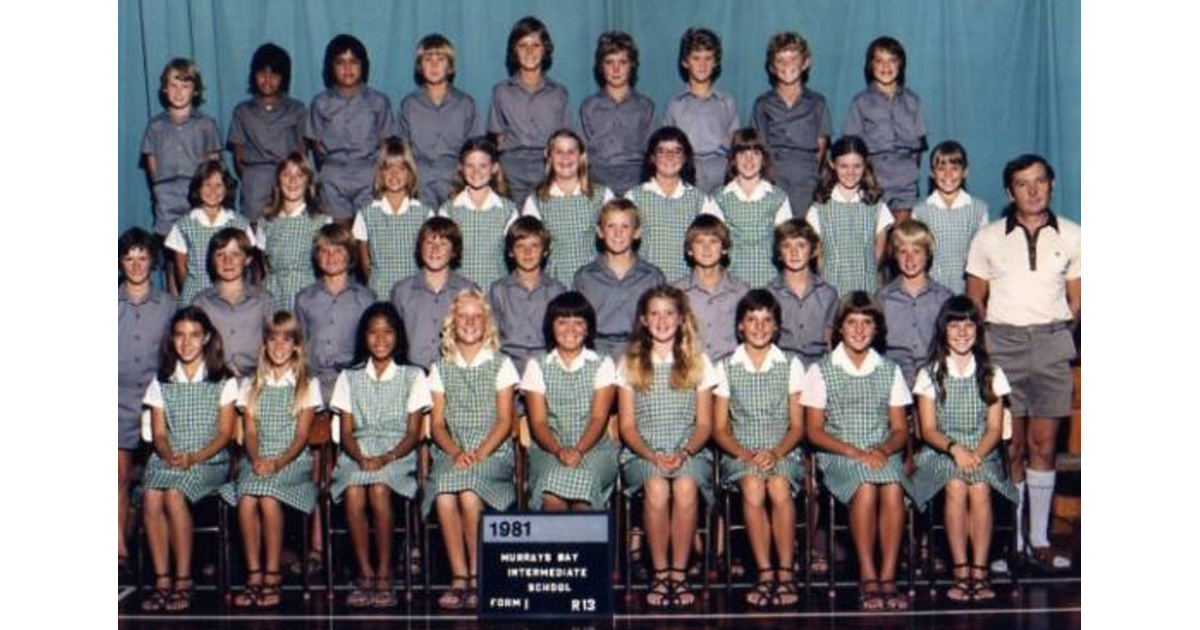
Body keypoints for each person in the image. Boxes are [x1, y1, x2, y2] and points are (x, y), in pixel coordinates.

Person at [965, 154, 1080, 571]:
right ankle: (1012, 543)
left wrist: (1059, 331)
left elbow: (1078, 298)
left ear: (1051, 184)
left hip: (1051, 344)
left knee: (1043, 446)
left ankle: (1040, 539)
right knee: (1010, 446)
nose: (1032, 190)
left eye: (1039, 181)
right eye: (1022, 183)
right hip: (1002, 346)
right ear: (1008, 192)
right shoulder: (989, 238)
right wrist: (989, 346)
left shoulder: (1074, 235)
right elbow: (975, 297)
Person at [802, 292, 913, 611]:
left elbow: (900, 429)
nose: (860, 330)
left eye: (867, 323)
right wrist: (853, 452)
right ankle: (867, 575)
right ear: (839, 328)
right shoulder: (821, 370)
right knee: (864, 487)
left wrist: (882, 449)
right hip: (839, 453)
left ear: (877, 329)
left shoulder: (889, 369)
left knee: (893, 487)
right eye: (852, 322)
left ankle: (888, 576)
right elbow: (813, 430)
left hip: (881, 451)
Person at [617, 285, 718, 609]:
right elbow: (628, 426)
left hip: (689, 450)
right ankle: (660, 574)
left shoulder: (698, 361)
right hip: (642, 452)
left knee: (686, 486)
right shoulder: (630, 363)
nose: (662, 321)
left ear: (681, 318)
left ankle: (679, 572)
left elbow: (705, 424)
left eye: (669, 313)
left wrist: (685, 452)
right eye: (655, 314)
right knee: (657, 488)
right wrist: (652, 455)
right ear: (644, 320)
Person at [911, 296, 1018, 602]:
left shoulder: (992, 373)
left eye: (968, 324)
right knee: (957, 485)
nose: (961, 332)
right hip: (941, 452)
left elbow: (995, 428)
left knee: (980, 485)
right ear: (944, 330)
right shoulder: (930, 373)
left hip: (982, 449)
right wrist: (956, 449)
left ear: (977, 330)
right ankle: (960, 570)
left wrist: (976, 454)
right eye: (954, 325)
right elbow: (928, 430)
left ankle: (979, 570)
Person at [329, 303, 430, 608]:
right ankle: (364, 573)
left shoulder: (413, 375)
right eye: (373, 332)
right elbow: (346, 433)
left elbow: (413, 433)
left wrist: (386, 458)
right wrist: (360, 458)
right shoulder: (349, 376)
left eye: (387, 332)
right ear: (364, 337)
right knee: (355, 492)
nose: (380, 338)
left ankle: (385, 573)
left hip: (397, 453)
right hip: (357, 452)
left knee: (380, 488)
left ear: (398, 336)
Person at [424, 290, 520, 610]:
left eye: (476, 316)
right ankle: (459, 576)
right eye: (463, 317)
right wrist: (455, 453)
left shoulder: (501, 364)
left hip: (493, 452)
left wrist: (479, 453)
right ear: (452, 323)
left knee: (467, 492)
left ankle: (480, 577)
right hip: (453, 450)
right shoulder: (440, 367)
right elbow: (437, 425)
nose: (469, 322)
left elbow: (506, 421)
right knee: (444, 493)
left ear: (486, 323)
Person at [139, 307, 238, 612]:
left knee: (173, 495)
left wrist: (193, 457)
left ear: (206, 338)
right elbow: (158, 434)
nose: (186, 343)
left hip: (209, 459)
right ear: (172, 339)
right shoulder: (161, 382)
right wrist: (169, 455)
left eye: (194, 335)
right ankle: (163, 580)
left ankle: (183, 580)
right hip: (170, 457)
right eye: (180, 335)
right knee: (152, 496)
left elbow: (224, 433)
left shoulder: (223, 380)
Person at [711, 290, 806, 608]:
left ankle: (786, 572)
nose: (759, 327)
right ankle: (765, 573)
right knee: (753, 487)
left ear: (777, 326)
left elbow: (798, 425)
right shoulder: (726, 366)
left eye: (767, 320)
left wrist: (777, 452)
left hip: (783, 450)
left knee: (779, 487)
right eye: (751, 320)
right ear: (740, 326)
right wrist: (745, 454)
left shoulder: (791, 363)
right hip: (741, 452)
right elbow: (719, 429)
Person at [221, 312, 320, 608]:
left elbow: (302, 436)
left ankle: (273, 573)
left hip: (292, 461)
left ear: (296, 346)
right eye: (273, 339)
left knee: (267, 498)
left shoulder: (306, 385)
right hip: (258, 457)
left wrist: (277, 462)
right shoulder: (252, 385)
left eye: (286, 339)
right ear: (265, 344)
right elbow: (249, 432)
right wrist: (257, 459)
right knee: (248, 496)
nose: (279, 346)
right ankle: (254, 574)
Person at [521, 291, 619, 511]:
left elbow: (598, 418)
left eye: (578, 323)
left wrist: (578, 451)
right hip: (549, 449)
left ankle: (584, 547)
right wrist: (559, 451)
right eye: (562, 322)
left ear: (588, 328)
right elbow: (538, 423)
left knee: (583, 489)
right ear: (551, 326)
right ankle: (557, 547)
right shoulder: (537, 365)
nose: (570, 330)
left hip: (594, 449)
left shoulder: (602, 363)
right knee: (552, 492)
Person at [118, 228, 176, 578]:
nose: (137, 265)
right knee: (118, 475)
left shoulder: (169, 305)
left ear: (153, 262)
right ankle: (118, 549)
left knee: (164, 476)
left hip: (159, 399)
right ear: (121, 262)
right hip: (115, 399)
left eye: (143, 258)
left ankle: (167, 550)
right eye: (129, 258)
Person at [308, 34, 396, 224]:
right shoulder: (321, 103)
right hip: (333, 174)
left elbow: (384, 144)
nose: (347, 68)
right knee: (338, 237)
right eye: (340, 62)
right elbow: (316, 146)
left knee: (368, 231)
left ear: (363, 65)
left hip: (368, 174)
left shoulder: (378, 101)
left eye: (353, 62)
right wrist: (328, 174)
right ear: (331, 67)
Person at [488, 16, 572, 206]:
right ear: (514, 51)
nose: (529, 51)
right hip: (512, 169)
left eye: (536, 45)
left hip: (548, 167)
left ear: (545, 49)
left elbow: (565, 138)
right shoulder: (501, 91)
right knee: (516, 226)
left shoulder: (558, 93)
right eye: (522, 45)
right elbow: (498, 136)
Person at [843, 36, 927, 219]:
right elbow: (852, 147)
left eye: (892, 60)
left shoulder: (913, 101)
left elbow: (918, 149)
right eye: (879, 61)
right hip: (874, 177)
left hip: (905, 178)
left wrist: (909, 173)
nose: (885, 67)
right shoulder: (860, 102)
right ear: (870, 66)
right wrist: (865, 176)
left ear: (901, 64)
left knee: (903, 238)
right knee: (875, 237)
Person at [625, 126, 722, 282]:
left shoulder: (701, 200)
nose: (669, 157)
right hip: (646, 284)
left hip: (688, 286)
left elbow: (716, 243)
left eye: (676, 151)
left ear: (685, 158)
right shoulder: (634, 197)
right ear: (652, 157)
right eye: (662, 151)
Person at [750, 31, 831, 215]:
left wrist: (809, 175)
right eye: (780, 60)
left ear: (805, 63)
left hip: (806, 177)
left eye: (794, 58)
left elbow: (821, 145)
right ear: (771, 67)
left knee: (802, 233)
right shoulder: (763, 103)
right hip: (773, 176)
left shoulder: (817, 102)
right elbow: (758, 146)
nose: (788, 65)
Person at [572, 199, 666, 358]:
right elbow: (575, 322)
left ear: (636, 232)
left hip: (639, 351)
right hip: (596, 351)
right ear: (600, 232)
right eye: (611, 226)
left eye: (625, 226)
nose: (618, 233)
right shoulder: (585, 276)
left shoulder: (652, 276)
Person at [397, 34, 481, 209]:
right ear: (420, 66)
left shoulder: (465, 103)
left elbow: (476, 147)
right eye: (428, 59)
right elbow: (402, 149)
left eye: (441, 59)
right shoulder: (409, 104)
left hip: (456, 179)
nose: (434, 65)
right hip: (420, 180)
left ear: (450, 67)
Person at [141, 57, 222, 238]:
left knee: (200, 238)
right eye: (174, 85)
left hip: (197, 192)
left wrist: (208, 189)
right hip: (166, 194)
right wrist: (159, 186)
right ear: (164, 87)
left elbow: (213, 162)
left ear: (195, 91)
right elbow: (151, 160)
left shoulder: (206, 124)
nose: (179, 92)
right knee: (170, 243)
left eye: (185, 87)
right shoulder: (155, 126)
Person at [227, 43, 307, 223]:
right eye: (262, 73)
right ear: (253, 75)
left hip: (288, 178)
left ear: (284, 78)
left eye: (274, 75)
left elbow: (302, 152)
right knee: (255, 232)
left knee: (288, 226)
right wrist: (250, 178)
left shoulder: (297, 110)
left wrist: (294, 177)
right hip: (255, 180)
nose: (267, 80)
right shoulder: (242, 111)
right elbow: (238, 156)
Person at [523, 129, 614, 285]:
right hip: (553, 281)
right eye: (559, 152)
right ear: (549, 157)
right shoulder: (535, 200)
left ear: (581, 156)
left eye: (571, 151)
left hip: (594, 279)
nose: (565, 157)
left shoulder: (603, 195)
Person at [806, 136, 893, 295]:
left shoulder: (877, 206)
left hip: (867, 289)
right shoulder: (819, 208)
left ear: (865, 165)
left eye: (857, 166)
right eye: (844, 166)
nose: (850, 172)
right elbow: (818, 256)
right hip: (831, 290)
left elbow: (878, 253)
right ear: (833, 164)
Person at [390, 217, 479, 370]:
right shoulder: (402, 291)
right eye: (429, 243)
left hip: (455, 372)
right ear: (420, 248)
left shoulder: (468, 290)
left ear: (454, 252)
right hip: (413, 374)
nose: (435, 249)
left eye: (443, 244)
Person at [165, 159, 253, 304]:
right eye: (207, 185)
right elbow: (181, 268)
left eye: (219, 185)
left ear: (227, 188)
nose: (213, 191)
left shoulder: (240, 223)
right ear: (198, 188)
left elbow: (246, 263)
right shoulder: (184, 224)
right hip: (195, 295)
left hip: (230, 295)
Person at [662, 27, 738, 194]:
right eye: (696, 58)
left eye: (708, 58)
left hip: (720, 174)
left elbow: (735, 144)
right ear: (685, 62)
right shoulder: (676, 104)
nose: (702, 65)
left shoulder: (726, 102)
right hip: (686, 171)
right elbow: (667, 145)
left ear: (716, 61)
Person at [437, 136, 519, 289]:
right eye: (470, 165)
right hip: (458, 294)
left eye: (483, 165)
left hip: (496, 292)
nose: (476, 172)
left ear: (494, 168)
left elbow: (516, 257)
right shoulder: (448, 210)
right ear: (461, 167)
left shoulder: (508, 210)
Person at [876, 219, 951, 386]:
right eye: (903, 252)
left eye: (916, 251)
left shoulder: (943, 298)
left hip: (933, 380)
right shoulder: (882, 298)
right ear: (894, 255)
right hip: (892, 380)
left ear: (928, 253)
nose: (909, 259)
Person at [715, 128, 793, 288]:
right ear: (733, 159)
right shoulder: (719, 197)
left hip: (770, 280)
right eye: (742, 153)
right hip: (731, 282)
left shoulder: (778, 197)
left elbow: (786, 243)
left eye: (755, 153)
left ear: (763, 159)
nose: (748, 160)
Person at [580, 31, 655, 196]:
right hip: (598, 181)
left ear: (632, 65)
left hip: (636, 182)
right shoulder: (589, 106)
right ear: (600, 66)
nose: (616, 69)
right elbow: (583, 155)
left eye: (623, 62)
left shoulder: (645, 106)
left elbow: (651, 153)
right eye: (609, 62)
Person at [488, 216, 566, 374]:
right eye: (520, 246)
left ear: (545, 251)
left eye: (535, 246)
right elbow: (491, 336)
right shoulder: (499, 290)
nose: (527, 252)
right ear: (510, 252)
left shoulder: (557, 290)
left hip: (547, 365)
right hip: (508, 366)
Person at [192, 228, 274, 377]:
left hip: (255, 380)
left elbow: (273, 342)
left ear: (247, 259)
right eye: (220, 254)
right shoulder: (201, 302)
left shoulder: (264, 300)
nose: (227, 261)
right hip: (214, 379)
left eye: (235, 254)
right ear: (212, 260)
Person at [354, 138, 429, 298]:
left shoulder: (424, 213)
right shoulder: (366, 214)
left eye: (401, 168)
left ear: (410, 173)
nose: (394, 174)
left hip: (414, 294)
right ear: (380, 173)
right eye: (388, 168)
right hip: (379, 292)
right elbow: (365, 263)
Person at [912, 141, 989, 294]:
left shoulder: (978, 209)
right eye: (941, 169)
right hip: (930, 290)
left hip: (966, 290)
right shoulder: (920, 211)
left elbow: (983, 255)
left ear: (965, 171)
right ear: (932, 173)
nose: (948, 175)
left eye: (954, 169)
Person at [256, 153, 329, 311]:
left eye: (299, 175)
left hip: (308, 295)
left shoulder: (321, 221)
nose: (292, 181)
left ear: (308, 181)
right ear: (278, 180)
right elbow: (264, 265)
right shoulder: (266, 221)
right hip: (273, 294)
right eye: (286, 174)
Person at [673, 215, 748, 361]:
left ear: (724, 248)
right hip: (691, 369)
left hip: (729, 370)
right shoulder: (677, 292)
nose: (706, 248)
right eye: (699, 242)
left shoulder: (741, 291)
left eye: (714, 241)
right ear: (689, 250)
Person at [765, 219, 838, 365]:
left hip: (819, 365)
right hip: (782, 365)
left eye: (801, 245)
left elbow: (830, 341)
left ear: (813, 250)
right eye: (786, 246)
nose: (794, 252)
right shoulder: (770, 293)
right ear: (779, 253)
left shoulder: (828, 293)